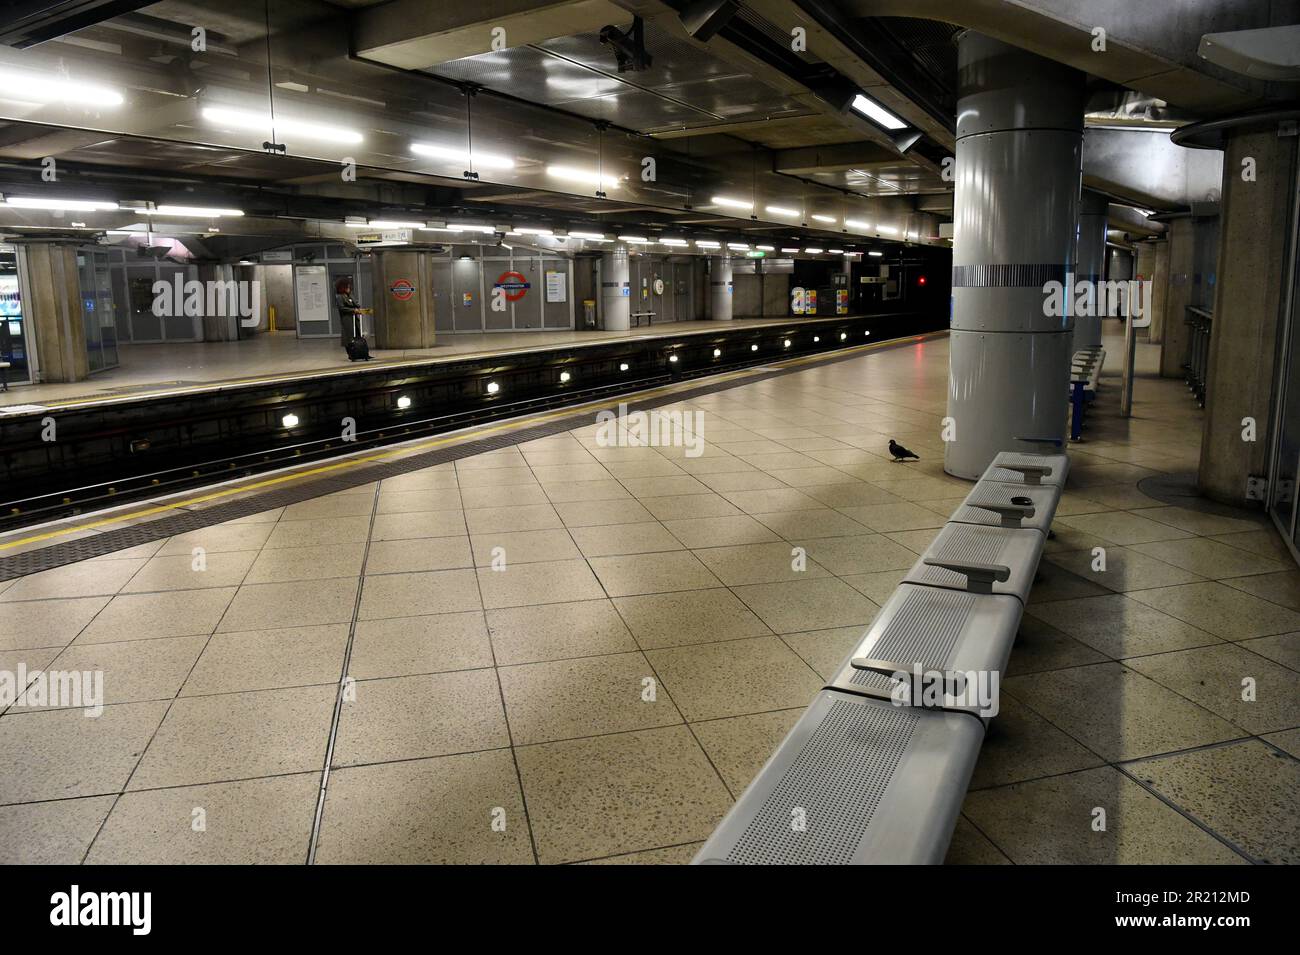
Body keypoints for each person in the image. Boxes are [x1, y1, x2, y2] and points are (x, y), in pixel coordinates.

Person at [335, 276, 362, 348]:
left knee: (357, 333)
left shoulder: (349, 295)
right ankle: (352, 351)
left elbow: (357, 304)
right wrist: (353, 310)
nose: (349, 288)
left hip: (354, 318)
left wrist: (351, 297)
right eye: (347, 287)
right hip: (347, 319)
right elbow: (342, 308)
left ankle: (359, 350)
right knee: (349, 335)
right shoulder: (339, 297)